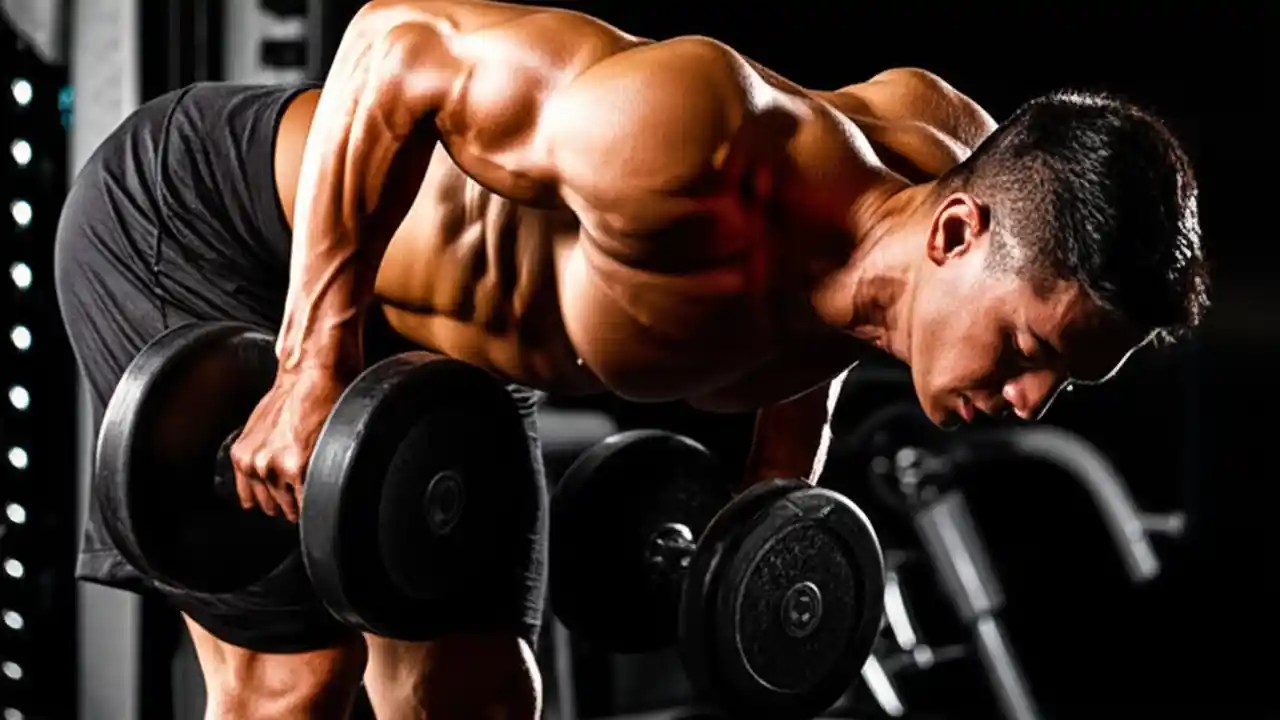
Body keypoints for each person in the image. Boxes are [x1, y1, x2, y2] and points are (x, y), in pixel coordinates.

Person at [54, 0, 1208, 717]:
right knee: (291, 686)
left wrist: (767, 521)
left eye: (1058, 381)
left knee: (477, 703)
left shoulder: (934, 208)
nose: (1021, 397)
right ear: (955, 233)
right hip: (223, 225)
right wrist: (310, 366)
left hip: (438, 364)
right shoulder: (693, 137)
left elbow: (830, 324)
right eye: (1024, 349)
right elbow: (389, 47)